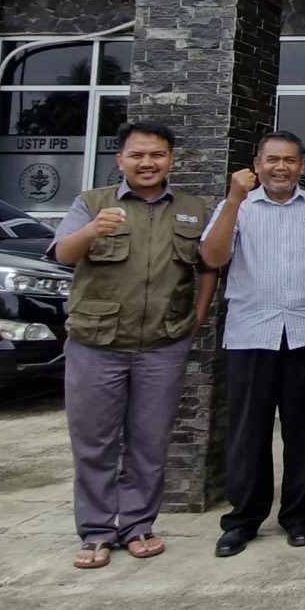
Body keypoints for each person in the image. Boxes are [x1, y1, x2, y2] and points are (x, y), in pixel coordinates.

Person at [48, 120, 216, 570]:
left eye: (157, 155)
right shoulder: (92, 203)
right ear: (120, 159)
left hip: (163, 344)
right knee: (95, 441)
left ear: (171, 160)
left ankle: (139, 524)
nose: (148, 163)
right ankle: (97, 531)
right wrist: (91, 232)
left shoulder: (192, 208)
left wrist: (198, 317)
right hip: (96, 343)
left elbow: (209, 267)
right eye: (138, 155)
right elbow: (62, 254)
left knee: (150, 440)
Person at [200, 130, 305, 559]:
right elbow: (212, 257)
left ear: (302, 167)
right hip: (251, 334)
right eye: (272, 160)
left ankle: (298, 516)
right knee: (249, 432)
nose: (281, 168)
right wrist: (232, 200)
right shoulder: (237, 207)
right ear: (257, 164)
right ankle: (243, 519)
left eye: (290, 161)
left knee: (304, 431)